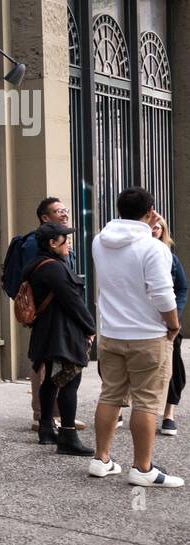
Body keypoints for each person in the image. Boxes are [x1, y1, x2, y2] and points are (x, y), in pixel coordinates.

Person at [89, 187, 183, 487]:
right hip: (148, 334)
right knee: (146, 401)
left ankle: (101, 459)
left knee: (110, 395)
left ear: (118, 209)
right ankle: (142, 469)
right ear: (150, 211)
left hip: (112, 332)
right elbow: (162, 293)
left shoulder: (99, 242)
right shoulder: (155, 249)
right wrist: (173, 323)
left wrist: (143, 226)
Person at [3, 196, 85, 433]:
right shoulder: (35, 245)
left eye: (65, 210)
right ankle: (42, 415)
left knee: (55, 364)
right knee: (44, 365)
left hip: (59, 312)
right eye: (59, 211)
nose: (65, 214)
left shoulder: (61, 240)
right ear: (45, 218)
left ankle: (57, 415)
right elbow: (37, 280)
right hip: (46, 313)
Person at [24, 222, 95, 455]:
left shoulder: (36, 264)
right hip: (62, 333)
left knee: (52, 381)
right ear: (53, 243)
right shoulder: (54, 268)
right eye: (66, 239)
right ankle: (68, 436)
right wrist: (90, 327)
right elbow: (72, 301)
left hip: (47, 332)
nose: (70, 243)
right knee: (70, 381)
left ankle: (46, 429)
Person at [149, 213, 186, 436]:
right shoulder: (134, 255)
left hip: (168, 320)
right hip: (141, 321)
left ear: (163, 232)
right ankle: (122, 411)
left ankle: (168, 413)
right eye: (150, 227)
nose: (154, 230)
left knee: (173, 365)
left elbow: (181, 288)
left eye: (158, 228)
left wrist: (175, 314)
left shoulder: (171, 259)